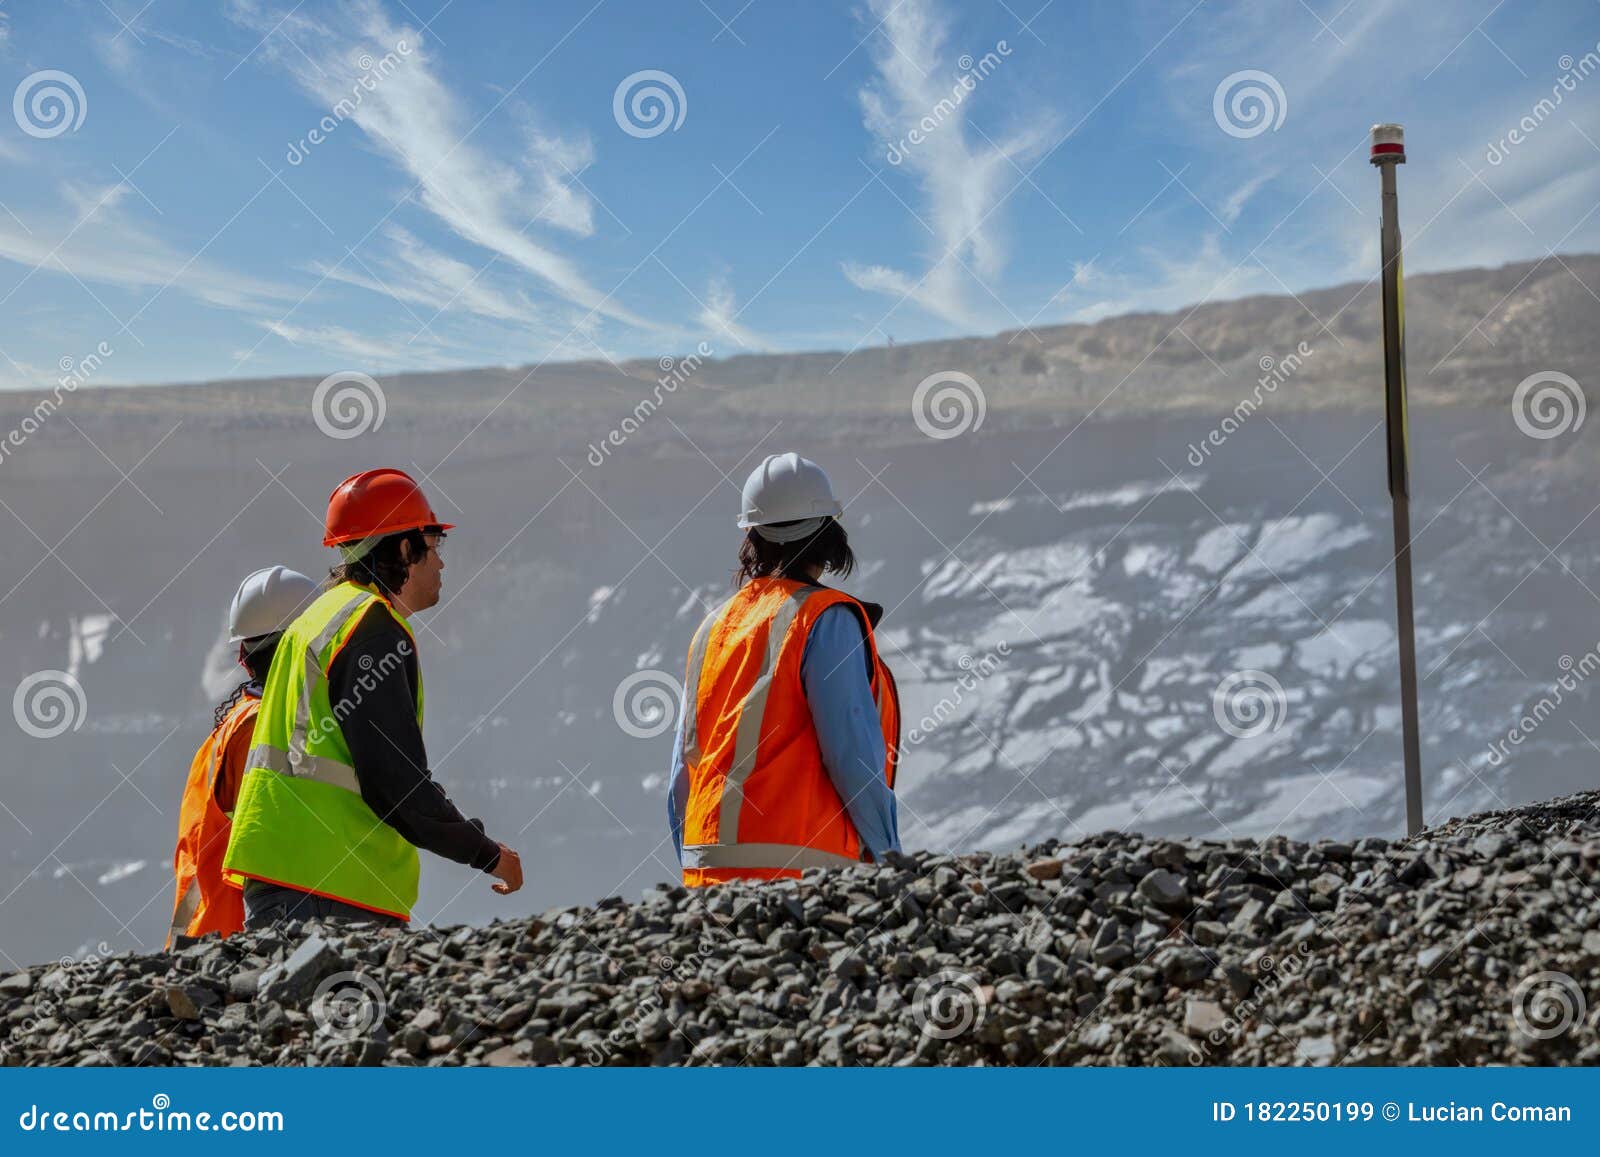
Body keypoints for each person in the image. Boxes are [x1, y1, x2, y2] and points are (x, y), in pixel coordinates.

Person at [223, 467, 522, 929]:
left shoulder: (318, 616)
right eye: (433, 543)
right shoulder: (371, 627)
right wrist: (487, 855)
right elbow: (396, 782)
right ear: (405, 548)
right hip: (331, 887)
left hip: (286, 882)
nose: (441, 562)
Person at [667, 452, 901, 886]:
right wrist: (890, 860)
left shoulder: (712, 629)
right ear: (831, 535)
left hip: (705, 873)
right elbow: (851, 756)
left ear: (752, 537)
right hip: (801, 874)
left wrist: (695, 863)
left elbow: (682, 773)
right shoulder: (825, 620)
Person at [167, 565, 318, 947]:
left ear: (243, 656)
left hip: (205, 930)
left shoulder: (236, 725)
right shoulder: (259, 728)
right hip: (235, 936)